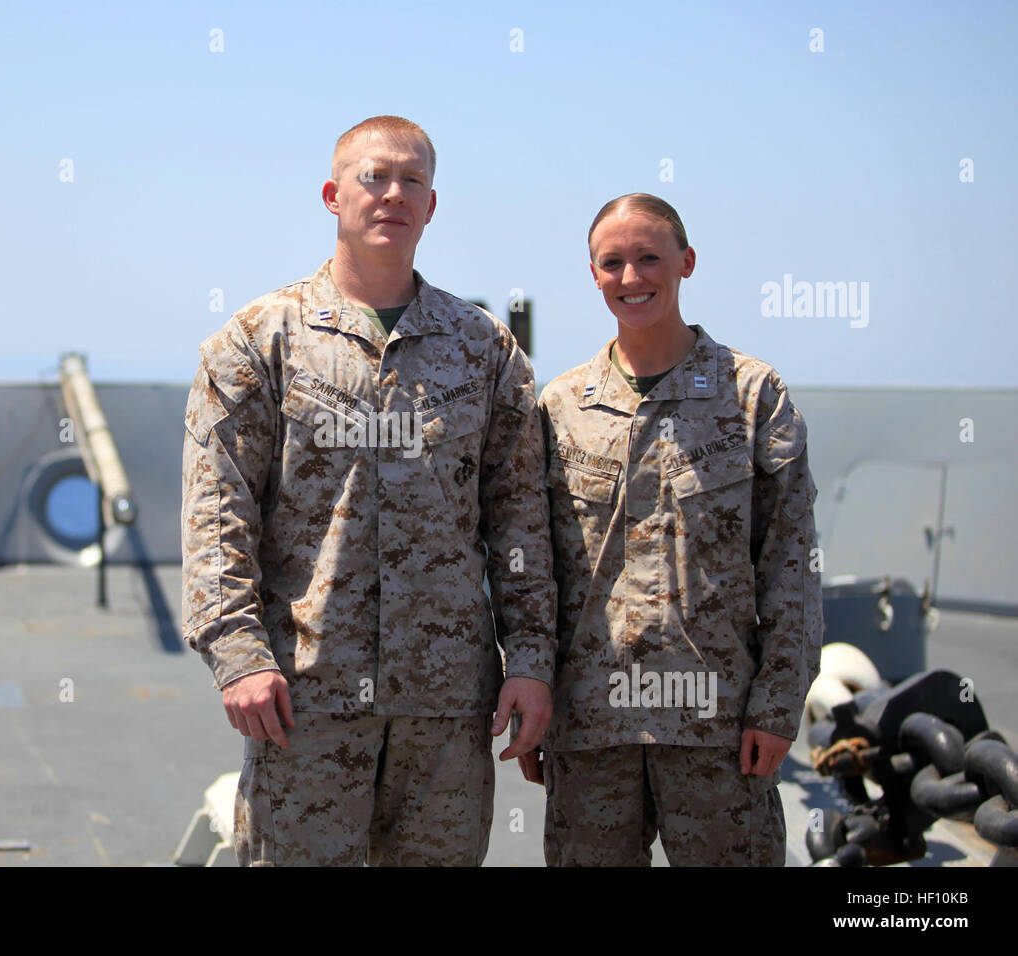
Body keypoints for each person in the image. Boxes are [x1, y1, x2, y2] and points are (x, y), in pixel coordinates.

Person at [180, 116, 556, 866]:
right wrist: (239, 653)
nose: (393, 194)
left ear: (432, 204)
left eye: (412, 180)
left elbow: (519, 517)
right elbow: (217, 509)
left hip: (444, 706)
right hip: (306, 694)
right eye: (373, 177)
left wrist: (533, 659)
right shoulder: (261, 339)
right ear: (332, 194)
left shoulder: (482, 347)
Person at [527, 193, 821, 866]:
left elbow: (792, 561)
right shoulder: (562, 407)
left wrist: (776, 707)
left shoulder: (750, 394)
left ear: (686, 263)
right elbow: (536, 572)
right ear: (594, 274)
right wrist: (536, 697)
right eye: (612, 263)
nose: (631, 278)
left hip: (718, 729)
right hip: (592, 727)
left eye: (649, 258)